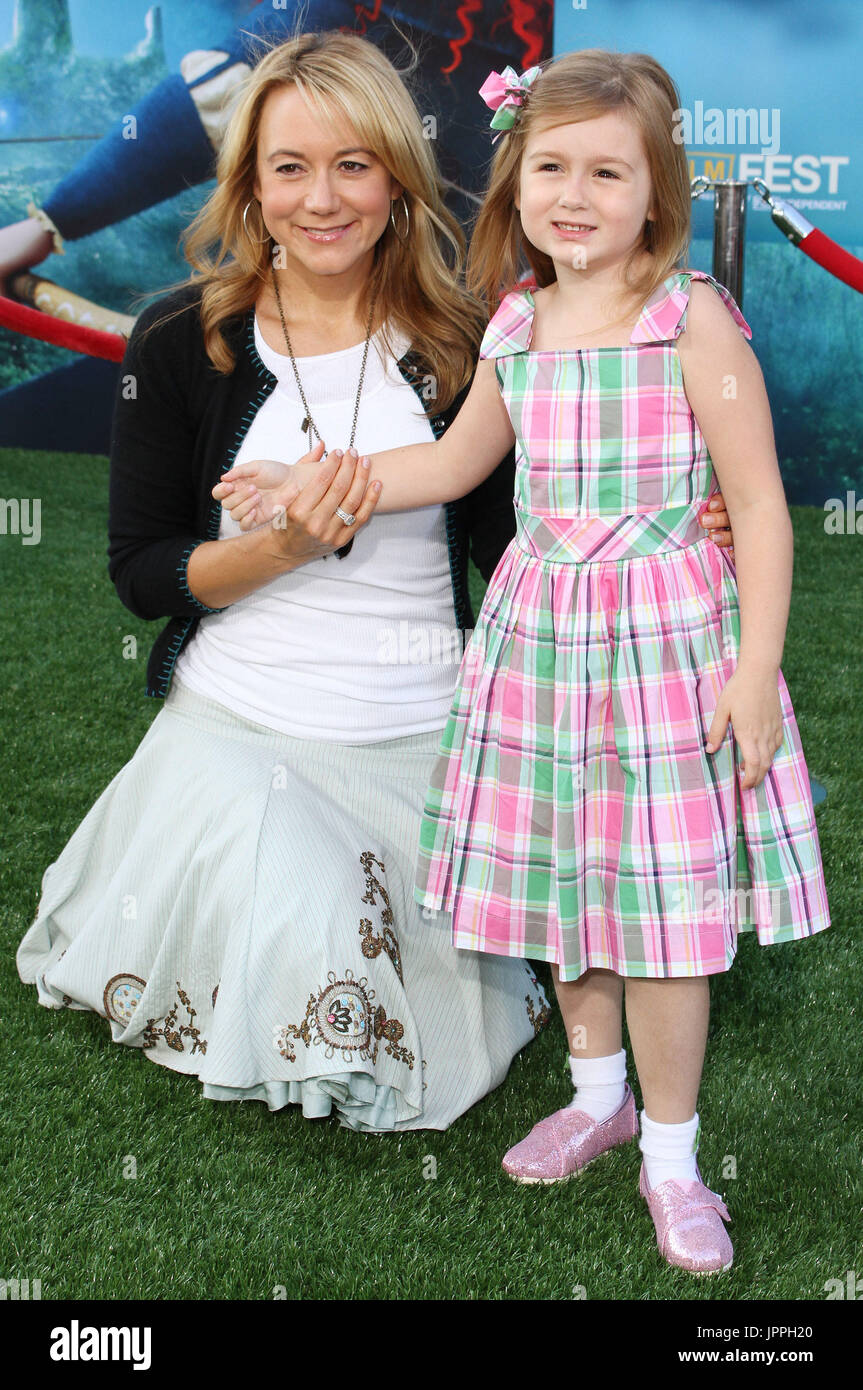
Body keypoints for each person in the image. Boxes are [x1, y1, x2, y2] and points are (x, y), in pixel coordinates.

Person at [220, 48, 829, 1266]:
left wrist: (753, 667)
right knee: (568, 886)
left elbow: (757, 505)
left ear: (654, 193)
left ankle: (671, 1154)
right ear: (513, 184)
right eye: (549, 166)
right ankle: (593, 1094)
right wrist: (310, 477)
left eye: (606, 171)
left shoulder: (689, 316)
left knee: (659, 911)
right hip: (539, 643)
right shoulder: (515, 320)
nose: (573, 194)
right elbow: (448, 468)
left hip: (666, 645)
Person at [15, 31, 562, 1134]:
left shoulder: (465, 343)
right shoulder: (181, 338)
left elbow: (508, 556)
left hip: (423, 738)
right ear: (250, 186)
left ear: (398, 180)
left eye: (353, 165)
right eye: (289, 168)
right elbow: (144, 573)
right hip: (239, 736)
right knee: (309, 930)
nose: (323, 199)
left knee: (460, 996)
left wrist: (653, 538)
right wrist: (287, 544)